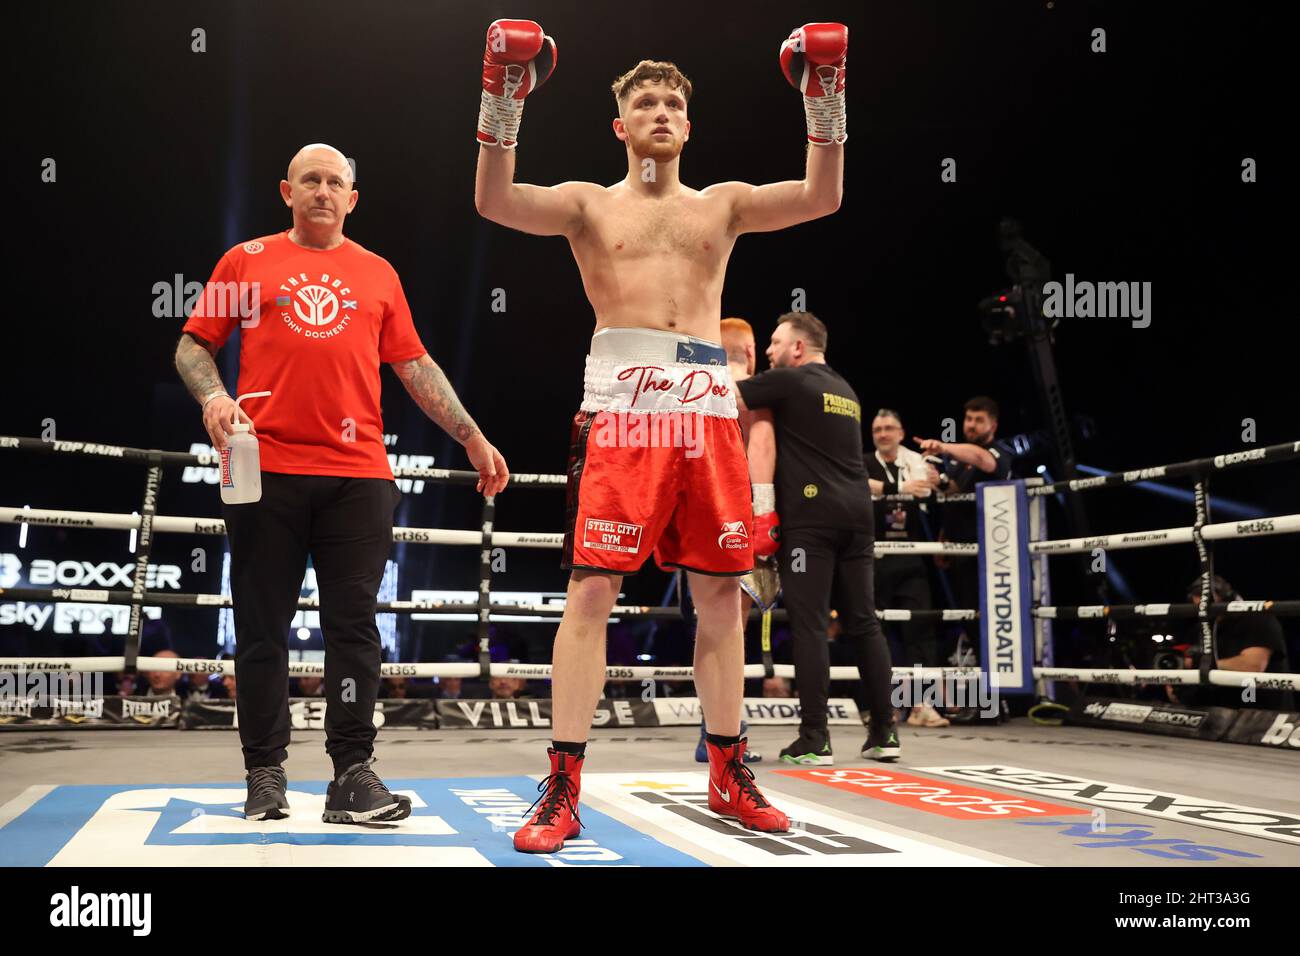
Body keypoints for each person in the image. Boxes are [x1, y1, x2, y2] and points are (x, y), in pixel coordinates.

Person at [474, 19, 846, 851]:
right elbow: (494, 200)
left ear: (689, 124)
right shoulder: (586, 204)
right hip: (622, 411)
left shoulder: (725, 205)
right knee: (592, 592)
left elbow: (824, 196)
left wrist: (827, 90)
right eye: (646, 100)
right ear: (622, 126)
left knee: (721, 596)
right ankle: (564, 786)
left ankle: (727, 769)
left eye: (675, 100)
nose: (662, 110)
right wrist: (503, 91)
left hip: (710, 410)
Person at [176, 143, 509, 824]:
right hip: (262, 468)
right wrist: (212, 397)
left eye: (335, 182)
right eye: (310, 180)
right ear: (286, 191)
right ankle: (265, 775)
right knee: (262, 628)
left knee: (354, 629)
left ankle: (352, 774)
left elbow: (415, 367)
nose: (323, 190)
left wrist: (472, 435)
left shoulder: (377, 273)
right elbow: (192, 345)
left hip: (358, 476)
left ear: (352, 198)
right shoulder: (247, 261)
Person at [735, 313, 899, 765]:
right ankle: (885, 733)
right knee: (863, 622)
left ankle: (814, 739)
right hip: (858, 519)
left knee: (809, 625)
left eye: (775, 341)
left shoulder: (790, 381)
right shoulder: (847, 390)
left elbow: (725, 397)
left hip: (812, 522)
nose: (769, 350)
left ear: (799, 348)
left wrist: (732, 362)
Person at [914, 395, 1015, 664]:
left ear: (993, 425)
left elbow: (983, 459)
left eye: (978, 420)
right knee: (970, 621)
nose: (970, 425)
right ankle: (987, 695)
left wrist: (944, 447)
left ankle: (1008, 697)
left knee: (994, 624)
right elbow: (956, 493)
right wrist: (940, 481)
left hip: (992, 555)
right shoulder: (960, 462)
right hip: (961, 552)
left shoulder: (998, 452)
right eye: (968, 419)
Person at [865, 409, 948, 727]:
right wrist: (897, 490)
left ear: (901, 432)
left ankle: (922, 705)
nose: (882, 434)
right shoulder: (861, 461)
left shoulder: (916, 458)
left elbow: (926, 488)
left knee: (920, 630)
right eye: (877, 429)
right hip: (874, 558)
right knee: (877, 633)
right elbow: (858, 483)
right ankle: (882, 706)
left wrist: (881, 489)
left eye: (888, 428)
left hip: (911, 556)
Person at [1180, 576, 1294, 712]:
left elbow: (1253, 666)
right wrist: (1180, 681)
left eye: (1209, 607)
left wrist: (1203, 664)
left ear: (1227, 599)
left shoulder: (1257, 617)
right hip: (1215, 714)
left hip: (1258, 710)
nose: (1206, 614)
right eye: (1199, 608)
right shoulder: (1202, 628)